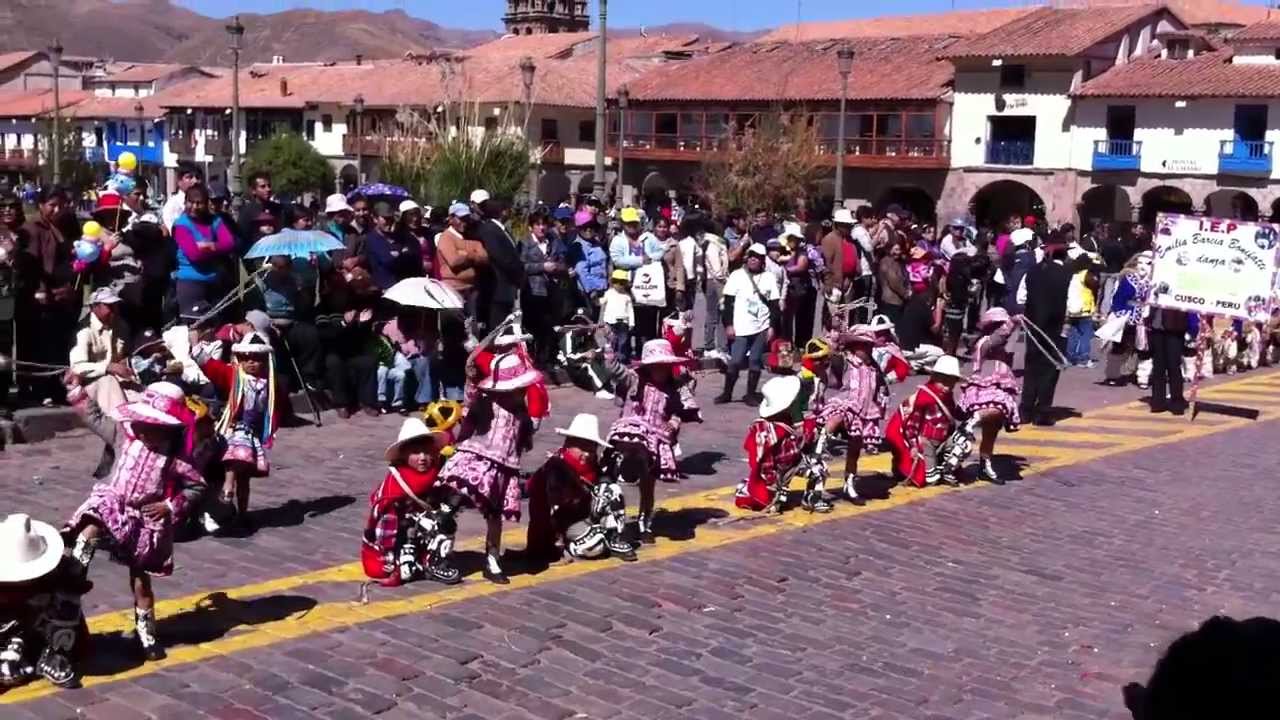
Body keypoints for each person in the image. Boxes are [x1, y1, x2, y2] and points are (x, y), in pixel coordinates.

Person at [64, 382, 205, 661]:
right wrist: (76, 391)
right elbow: (94, 418)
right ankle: (75, 572)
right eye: (139, 423)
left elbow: (196, 486)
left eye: (151, 426)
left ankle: (146, 633)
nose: (142, 429)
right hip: (115, 503)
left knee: (141, 582)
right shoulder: (123, 435)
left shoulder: (175, 458)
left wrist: (168, 506)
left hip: (143, 521)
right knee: (94, 520)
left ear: (168, 428)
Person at [438, 351, 542, 584]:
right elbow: (469, 403)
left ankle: (492, 558)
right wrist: (471, 375)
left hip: (504, 469)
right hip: (477, 461)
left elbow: (524, 442)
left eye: (522, 388)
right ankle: (439, 551)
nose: (521, 392)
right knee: (453, 501)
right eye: (517, 388)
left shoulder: (522, 417)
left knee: (495, 516)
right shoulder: (485, 404)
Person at [602, 339, 701, 544]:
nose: (661, 371)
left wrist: (673, 423)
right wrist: (608, 349)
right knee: (612, 481)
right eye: (657, 367)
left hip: (656, 440)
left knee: (648, 486)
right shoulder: (634, 380)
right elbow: (614, 370)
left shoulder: (673, 389)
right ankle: (611, 520)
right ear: (648, 367)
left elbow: (678, 411)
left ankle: (644, 523)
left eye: (665, 367)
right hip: (632, 435)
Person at [361, 418, 463, 586]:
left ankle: (434, 563)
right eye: (416, 453)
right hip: (399, 534)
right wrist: (389, 559)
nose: (422, 458)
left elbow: (455, 494)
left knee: (445, 523)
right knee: (405, 572)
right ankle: (411, 560)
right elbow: (384, 526)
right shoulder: (395, 483)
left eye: (426, 452)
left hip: (426, 527)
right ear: (404, 455)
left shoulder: (439, 471)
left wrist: (448, 509)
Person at [193, 331, 279, 529]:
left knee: (245, 478)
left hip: (253, 434)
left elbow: (277, 408)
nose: (251, 363)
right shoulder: (233, 375)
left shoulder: (271, 385)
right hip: (233, 431)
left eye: (257, 359)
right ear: (238, 359)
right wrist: (197, 346)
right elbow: (212, 367)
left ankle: (242, 513)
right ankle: (227, 488)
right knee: (236, 453)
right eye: (246, 358)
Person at [524, 413, 634, 567]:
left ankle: (615, 538)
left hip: (584, 513)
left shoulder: (592, 466)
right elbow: (546, 511)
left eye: (591, 448)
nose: (587, 454)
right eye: (581, 447)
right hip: (561, 525)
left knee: (612, 490)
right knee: (594, 546)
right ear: (569, 444)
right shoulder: (555, 468)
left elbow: (603, 486)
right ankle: (575, 544)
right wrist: (553, 545)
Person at [0, 513, 91, 689]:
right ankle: (13, 654)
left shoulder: (60, 572)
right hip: (7, 631)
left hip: (45, 630)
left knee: (66, 600)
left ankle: (55, 655)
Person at [67, 287, 136, 478]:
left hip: (119, 378)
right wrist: (108, 367)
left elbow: (124, 355)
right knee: (121, 411)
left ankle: (118, 449)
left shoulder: (122, 326)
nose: (113, 310)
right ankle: (122, 454)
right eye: (109, 306)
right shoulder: (83, 331)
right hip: (93, 381)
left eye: (116, 306)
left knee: (142, 401)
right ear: (95, 307)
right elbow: (78, 367)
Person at [21, 186, 78, 406]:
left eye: (60, 205)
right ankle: (40, 390)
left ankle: (57, 388)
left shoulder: (64, 226)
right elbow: (33, 265)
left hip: (63, 296)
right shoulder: (36, 228)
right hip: (43, 296)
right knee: (42, 346)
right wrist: (41, 288)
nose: (57, 209)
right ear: (41, 205)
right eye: (52, 205)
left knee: (59, 345)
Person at [957, 308, 1019, 484]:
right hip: (985, 386)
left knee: (992, 430)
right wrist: (1012, 323)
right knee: (1000, 407)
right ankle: (971, 422)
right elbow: (999, 337)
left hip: (999, 384)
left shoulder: (998, 345)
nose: (1002, 328)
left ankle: (985, 464)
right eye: (999, 324)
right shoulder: (985, 342)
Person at [734, 375, 812, 513]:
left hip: (788, 466)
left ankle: (810, 498)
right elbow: (764, 463)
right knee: (773, 506)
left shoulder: (785, 423)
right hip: (776, 474)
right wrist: (773, 484)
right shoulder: (767, 431)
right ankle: (771, 495)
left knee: (816, 468)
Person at [884, 355, 965, 488]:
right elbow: (912, 424)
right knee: (927, 478)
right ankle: (904, 469)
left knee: (962, 444)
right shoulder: (924, 397)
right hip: (926, 441)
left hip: (943, 439)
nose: (947, 386)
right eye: (944, 381)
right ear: (935, 378)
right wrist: (914, 445)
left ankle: (946, 470)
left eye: (951, 382)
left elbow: (952, 416)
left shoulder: (947, 397)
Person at [717, 243, 780, 405]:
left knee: (755, 360)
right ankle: (727, 393)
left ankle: (750, 394)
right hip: (740, 325)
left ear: (762, 261)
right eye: (751, 256)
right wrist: (728, 325)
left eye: (757, 257)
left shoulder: (769, 277)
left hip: (761, 326)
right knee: (736, 360)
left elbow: (774, 305)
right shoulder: (737, 275)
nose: (753, 260)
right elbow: (728, 303)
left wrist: (772, 326)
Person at [1020, 242, 1073, 427]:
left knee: (1032, 365)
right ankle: (1042, 412)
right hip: (1055, 327)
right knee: (1050, 368)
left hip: (1033, 325)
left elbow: (1021, 297)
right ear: (1064, 254)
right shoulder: (1067, 274)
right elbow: (1072, 304)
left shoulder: (1032, 271)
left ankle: (1025, 410)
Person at [172, 185, 236, 311]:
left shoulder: (215, 220)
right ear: (185, 202)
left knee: (215, 324)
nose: (195, 207)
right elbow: (194, 254)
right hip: (190, 282)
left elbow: (229, 243)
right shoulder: (181, 224)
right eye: (191, 202)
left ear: (207, 204)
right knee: (194, 324)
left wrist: (211, 246)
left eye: (199, 203)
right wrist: (217, 248)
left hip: (214, 281)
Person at [519, 210, 568, 369]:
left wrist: (557, 268)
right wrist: (542, 267)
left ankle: (545, 359)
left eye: (544, 224)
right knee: (533, 326)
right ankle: (531, 360)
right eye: (538, 225)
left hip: (551, 290)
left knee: (548, 327)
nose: (541, 228)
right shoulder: (525, 243)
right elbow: (521, 266)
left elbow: (562, 262)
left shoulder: (553, 242)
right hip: (533, 291)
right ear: (531, 227)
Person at [471, 192, 525, 335]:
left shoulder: (502, 229)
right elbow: (500, 257)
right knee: (497, 331)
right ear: (502, 211)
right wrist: (519, 271)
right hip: (497, 289)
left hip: (508, 289)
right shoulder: (489, 229)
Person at [1103, 251, 1154, 388]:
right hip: (1127, 317)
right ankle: (1112, 375)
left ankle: (1143, 377)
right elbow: (1119, 298)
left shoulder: (1155, 282)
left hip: (1146, 320)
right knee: (1120, 346)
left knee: (1145, 350)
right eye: (1140, 263)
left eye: (1147, 263)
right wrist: (1117, 314)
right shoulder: (1129, 278)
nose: (1143, 266)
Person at [1148, 307, 1189, 415]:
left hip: (1175, 327)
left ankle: (1177, 402)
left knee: (1174, 365)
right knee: (1158, 366)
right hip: (1157, 327)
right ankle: (1158, 402)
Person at [566, 209, 607, 319]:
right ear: (579, 228)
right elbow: (581, 270)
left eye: (591, 226)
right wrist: (591, 290)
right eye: (584, 227)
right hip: (587, 293)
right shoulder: (578, 246)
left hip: (601, 289)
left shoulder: (597, 243)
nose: (588, 230)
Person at [702, 218, 730, 359]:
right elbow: (716, 268)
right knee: (713, 314)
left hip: (718, 280)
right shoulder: (713, 244)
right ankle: (709, 346)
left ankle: (721, 346)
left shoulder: (718, 243)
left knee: (720, 314)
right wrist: (725, 279)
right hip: (715, 281)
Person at [602, 269, 635, 362]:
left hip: (623, 322)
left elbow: (630, 310)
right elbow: (603, 303)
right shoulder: (609, 293)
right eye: (616, 282)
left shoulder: (627, 296)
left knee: (622, 342)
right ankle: (611, 358)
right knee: (611, 341)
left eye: (621, 282)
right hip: (610, 321)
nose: (619, 285)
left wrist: (631, 323)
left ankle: (622, 359)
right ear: (612, 282)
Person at [393, 200, 431, 279]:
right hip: (411, 279)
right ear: (403, 218)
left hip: (431, 277)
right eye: (410, 215)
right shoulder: (399, 237)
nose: (415, 219)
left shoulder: (428, 233)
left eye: (417, 214)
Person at [877, 240, 909, 326]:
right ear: (889, 249)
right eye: (895, 249)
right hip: (891, 303)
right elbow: (894, 282)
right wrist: (906, 294)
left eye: (899, 250)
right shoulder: (886, 262)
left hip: (898, 303)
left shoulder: (897, 262)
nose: (898, 252)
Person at [161, 165, 200, 231]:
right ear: (179, 181)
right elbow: (172, 232)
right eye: (189, 177)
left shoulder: (204, 203)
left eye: (197, 177)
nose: (195, 181)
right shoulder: (172, 205)